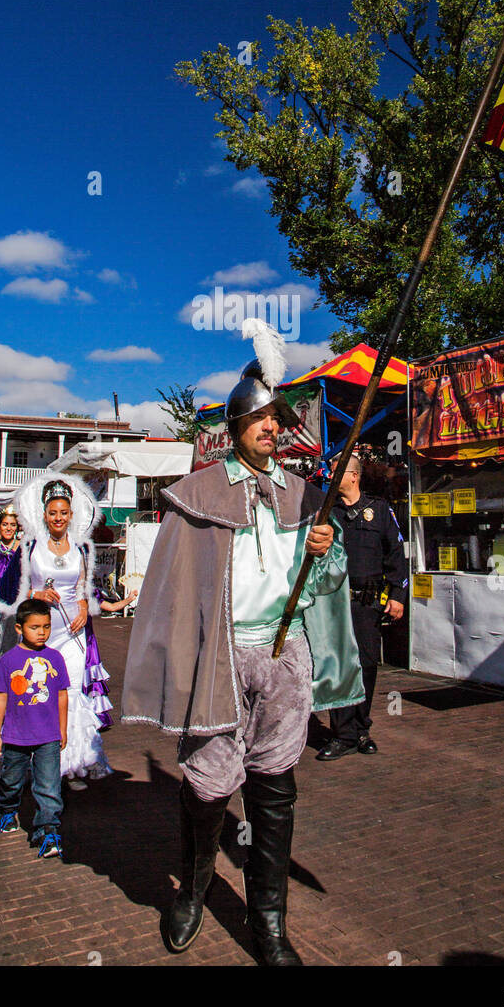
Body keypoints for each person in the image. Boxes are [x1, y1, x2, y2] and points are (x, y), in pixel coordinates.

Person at [122, 327, 364, 965]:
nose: (268, 428)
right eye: (256, 419)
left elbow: (333, 580)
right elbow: (175, 589)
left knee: (275, 789)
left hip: (286, 656)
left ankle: (269, 925)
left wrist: (325, 547)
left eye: (274, 420)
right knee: (207, 788)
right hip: (222, 656)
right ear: (234, 426)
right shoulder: (199, 494)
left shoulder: (303, 496)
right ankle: (193, 891)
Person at [4, 475, 114, 786]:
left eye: (64, 513)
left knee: (71, 693)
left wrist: (83, 605)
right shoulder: (30, 547)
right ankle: (40, 765)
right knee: (40, 693)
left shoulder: (81, 549)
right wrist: (35, 595)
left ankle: (73, 764)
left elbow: (83, 588)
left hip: (73, 631)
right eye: (53, 513)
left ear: (71, 515)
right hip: (40, 631)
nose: (58, 518)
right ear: (43, 514)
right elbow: (12, 590)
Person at [317, 454, 408, 761]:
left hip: (367, 603)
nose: (330, 475)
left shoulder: (379, 510)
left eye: (336, 470)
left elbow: (396, 554)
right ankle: (341, 734)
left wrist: (398, 595)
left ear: (353, 476)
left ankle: (361, 729)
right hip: (336, 603)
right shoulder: (327, 512)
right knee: (339, 668)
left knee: (366, 666)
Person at [0, 598, 70, 859]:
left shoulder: (55, 658)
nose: (42, 632)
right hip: (15, 735)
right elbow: (0, 697)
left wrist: (63, 728)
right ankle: (6, 808)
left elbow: (61, 696)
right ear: (19, 628)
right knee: (11, 780)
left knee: (49, 786)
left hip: (47, 735)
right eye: (35, 627)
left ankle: (47, 830)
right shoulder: (9, 660)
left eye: (46, 627)